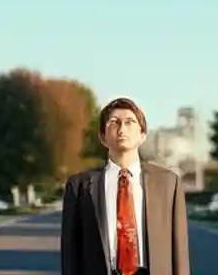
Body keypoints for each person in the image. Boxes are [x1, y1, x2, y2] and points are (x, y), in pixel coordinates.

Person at [60, 97, 190, 275]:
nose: (122, 129)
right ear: (102, 137)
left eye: (130, 122)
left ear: (143, 135)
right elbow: (70, 253)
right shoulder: (80, 186)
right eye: (114, 123)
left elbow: (179, 251)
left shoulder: (168, 183)